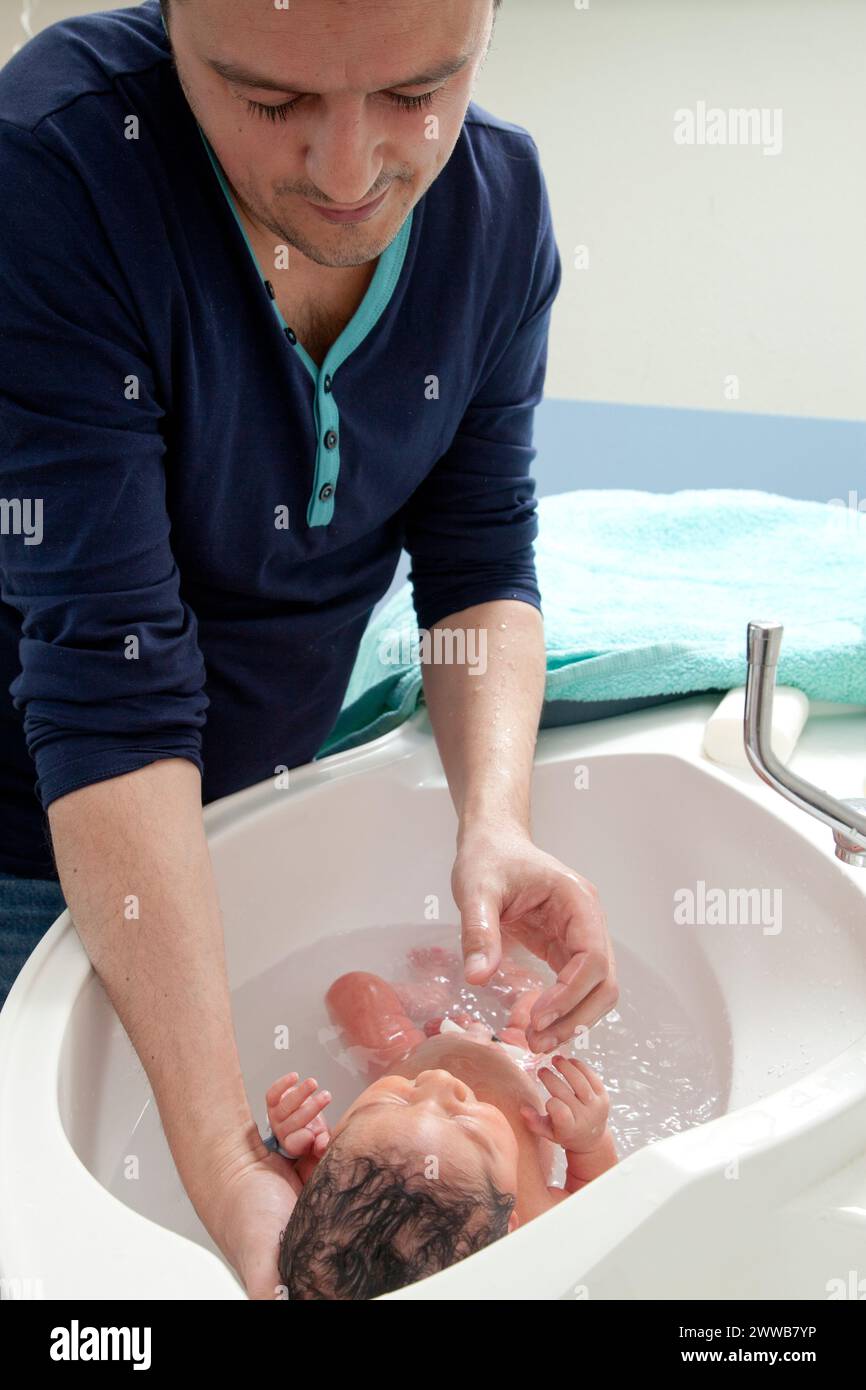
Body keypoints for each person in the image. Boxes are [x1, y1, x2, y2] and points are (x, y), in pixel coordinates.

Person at [0, 0, 617, 1298]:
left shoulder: (494, 214)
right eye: (271, 103)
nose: (348, 176)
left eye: (416, 92)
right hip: (36, 817)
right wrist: (230, 1172)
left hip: (252, 790)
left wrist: (492, 822)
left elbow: (479, 562)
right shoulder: (64, 165)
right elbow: (109, 682)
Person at [263, 947, 618, 1299]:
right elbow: (598, 1194)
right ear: (507, 1233)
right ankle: (517, 987)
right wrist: (588, 1138)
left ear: (330, 1152)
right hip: (517, 1063)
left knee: (354, 991)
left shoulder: (338, 1192)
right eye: (465, 1121)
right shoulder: (536, 1219)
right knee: (542, 1012)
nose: (440, 1081)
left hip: (410, 1054)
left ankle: (427, 993)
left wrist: (287, 1145)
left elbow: (280, 1174)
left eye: (397, 1101)